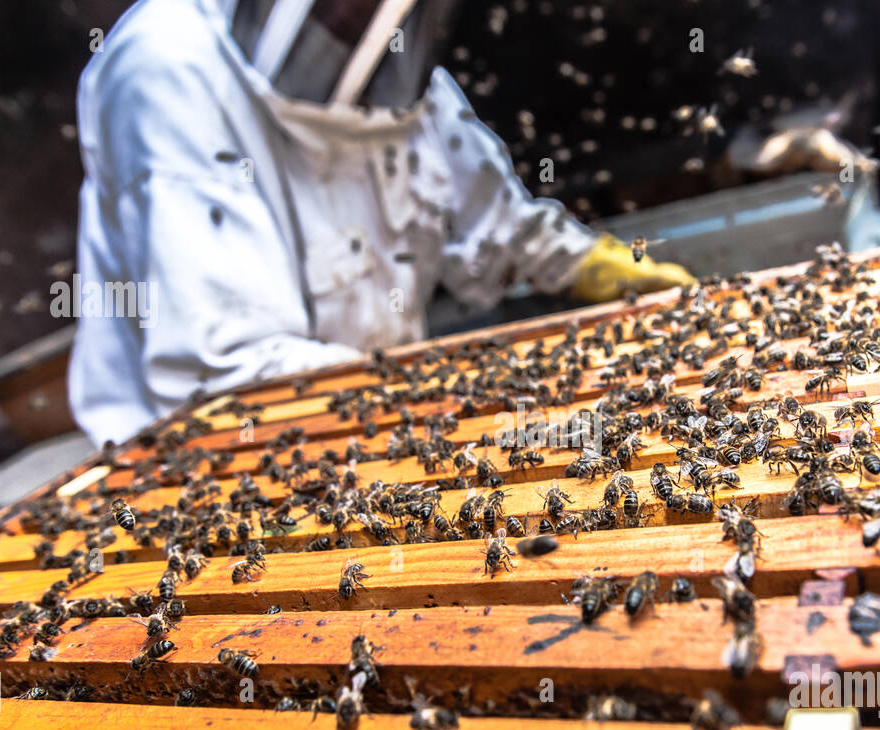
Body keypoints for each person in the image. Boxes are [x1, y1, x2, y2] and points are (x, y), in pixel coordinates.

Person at [67, 0, 693, 445]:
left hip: (390, 423)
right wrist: (445, 393)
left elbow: (495, 218)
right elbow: (225, 369)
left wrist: (584, 262)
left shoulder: (402, 70)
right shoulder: (165, 68)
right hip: (210, 455)